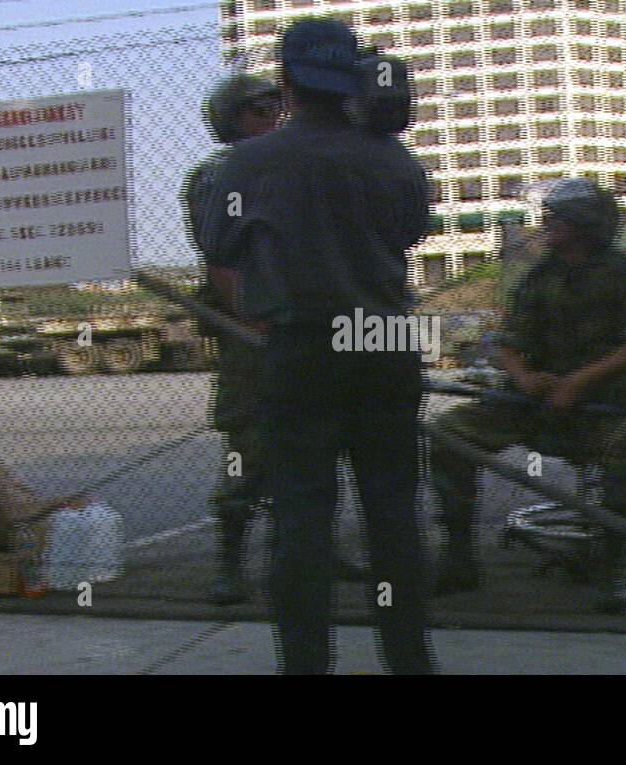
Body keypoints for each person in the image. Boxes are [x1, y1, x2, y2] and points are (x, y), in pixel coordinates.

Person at [197, 17, 434, 674]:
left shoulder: (249, 162)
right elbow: (411, 231)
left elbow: (220, 247)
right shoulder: (394, 158)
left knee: (302, 514)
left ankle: (306, 662)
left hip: (302, 346)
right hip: (385, 344)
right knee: (393, 512)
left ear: (287, 81)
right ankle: (410, 659)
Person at [429, 178, 626, 607]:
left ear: (583, 225)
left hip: (606, 404)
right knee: (449, 433)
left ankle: (606, 566)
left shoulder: (625, 276)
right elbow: (507, 342)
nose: (546, 224)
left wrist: (580, 382)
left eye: (556, 218)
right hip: (536, 399)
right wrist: (524, 375)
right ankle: (458, 560)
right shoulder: (541, 277)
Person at [181, 74, 282, 605]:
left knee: (315, 440)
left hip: (297, 324)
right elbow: (221, 256)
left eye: (274, 105)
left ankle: (317, 551)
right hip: (252, 334)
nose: (271, 115)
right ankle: (231, 563)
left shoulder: (286, 168)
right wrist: (253, 317)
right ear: (232, 119)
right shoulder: (219, 176)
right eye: (257, 109)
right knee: (249, 445)